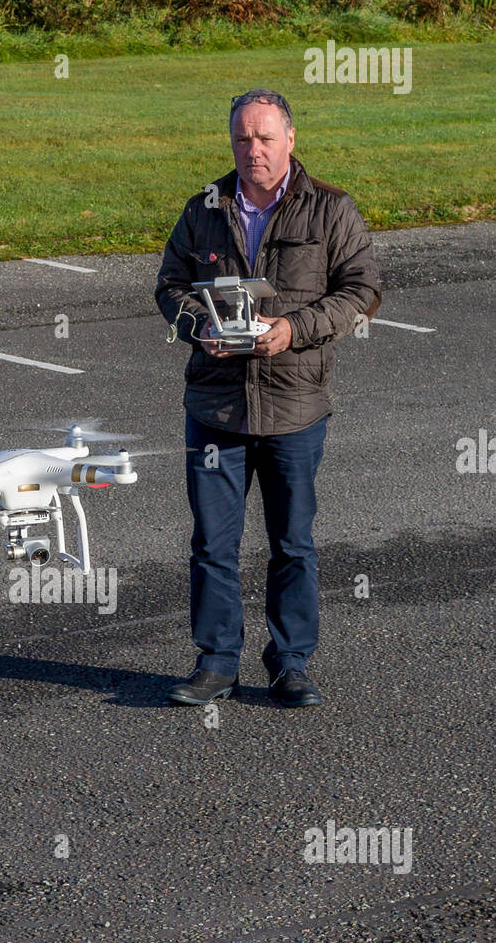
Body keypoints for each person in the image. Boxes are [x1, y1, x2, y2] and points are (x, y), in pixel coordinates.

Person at [155, 88, 381, 708]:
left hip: (296, 406)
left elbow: (361, 288)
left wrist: (292, 330)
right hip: (216, 408)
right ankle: (217, 661)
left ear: (290, 139)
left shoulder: (331, 208)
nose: (252, 150)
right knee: (212, 543)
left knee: (293, 543)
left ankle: (290, 663)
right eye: (242, 139)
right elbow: (169, 285)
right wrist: (198, 327)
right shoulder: (203, 207)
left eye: (264, 138)